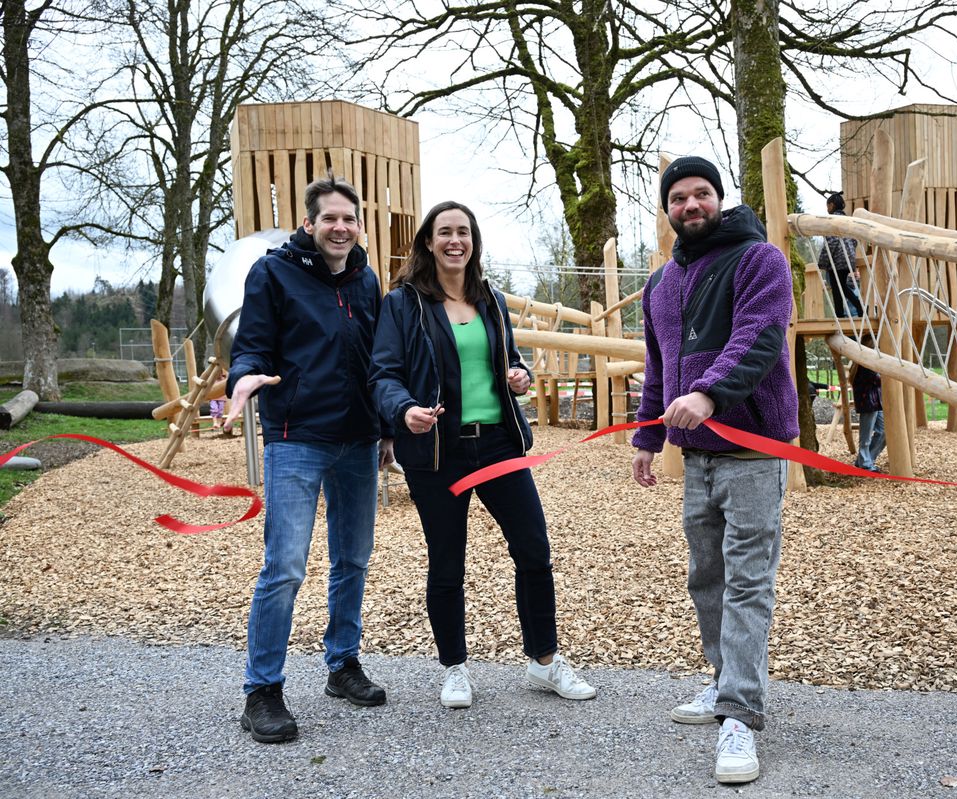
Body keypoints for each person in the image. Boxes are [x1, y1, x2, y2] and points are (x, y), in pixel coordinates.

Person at [370, 200, 595, 710]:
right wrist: (403, 409)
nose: (455, 241)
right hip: (439, 449)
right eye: (445, 232)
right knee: (447, 563)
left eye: (464, 233)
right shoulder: (403, 303)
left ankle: (544, 661)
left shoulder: (488, 298)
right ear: (428, 241)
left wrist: (520, 375)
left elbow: (511, 361)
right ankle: (454, 668)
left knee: (534, 550)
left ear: (473, 242)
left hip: (497, 444)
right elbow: (382, 374)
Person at [631, 156, 799, 785]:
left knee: (748, 582)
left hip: (753, 450)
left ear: (720, 200)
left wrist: (706, 393)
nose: (691, 205)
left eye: (701, 193)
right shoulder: (660, 286)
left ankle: (740, 715)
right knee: (706, 576)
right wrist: (648, 436)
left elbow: (756, 340)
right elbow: (657, 366)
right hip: (695, 457)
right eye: (679, 197)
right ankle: (722, 681)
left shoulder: (761, 260)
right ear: (669, 209)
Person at [224, 172, 395, 743]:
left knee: (353, 560)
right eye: (330, 218)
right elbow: (251, 344)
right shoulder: (272, 273)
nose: (340, 227)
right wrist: (245, 377)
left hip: (358, 439)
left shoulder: (367, 280)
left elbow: (379, 359)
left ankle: (342, 665)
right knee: (285, 566)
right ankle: (262, 690)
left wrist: (388, 425)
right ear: (309, 223)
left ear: (358, 225)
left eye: (349, 218)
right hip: (297, 437)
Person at [817, 192, 863, 318]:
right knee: (841, 286)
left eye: (827, 206)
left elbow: (831, 243)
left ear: (832, 205)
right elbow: (854, 240)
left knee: (837, 287)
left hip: (837, 260)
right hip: (848, 259)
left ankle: (841, 314)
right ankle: (855, 308)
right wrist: (850, 253)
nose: (827, 209)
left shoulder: (831, 220)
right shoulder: (849, 220)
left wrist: (822, 262)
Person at [849, 335, 886, 473]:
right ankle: (865, 464)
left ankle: (865, 460)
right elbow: (878, 380)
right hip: (868, 403)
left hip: (876, 403)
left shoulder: (870, 363)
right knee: (865, 436)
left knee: (884, 432)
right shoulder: (865, 365)